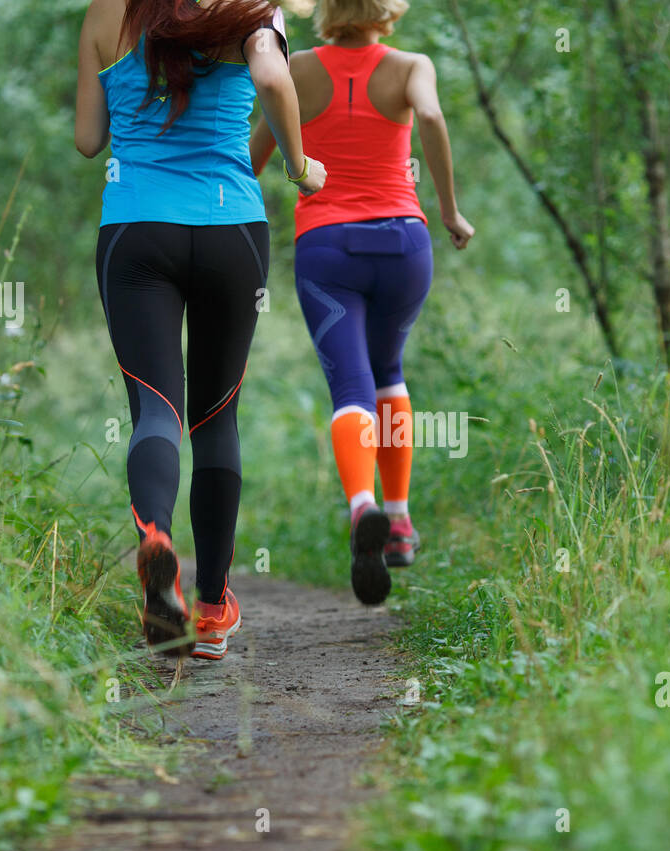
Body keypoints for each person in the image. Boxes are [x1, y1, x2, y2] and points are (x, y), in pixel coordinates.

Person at [75, 0, 326, 659]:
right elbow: (274, 80)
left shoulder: (105, 14)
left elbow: (86, 138)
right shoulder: (250, 12)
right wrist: (300, 169)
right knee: (215, 419)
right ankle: (213, 609)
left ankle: (156, 539)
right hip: (230, 233)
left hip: (135, 230)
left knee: (155, 413)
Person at [249, 0, 473, 605]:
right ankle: (398, 523)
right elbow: (430, 115)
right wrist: (448, 209)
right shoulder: (411, 66)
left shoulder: (295, 71)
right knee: (389, 373)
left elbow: (255, 159)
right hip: (403, 240)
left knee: (350, 387)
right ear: (387, 8)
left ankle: (362, 506)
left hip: (327, 246)